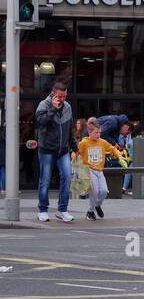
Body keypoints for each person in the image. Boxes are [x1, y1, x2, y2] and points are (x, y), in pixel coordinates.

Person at [35, 82, 76, 223]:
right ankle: (43, 210)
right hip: (46, 149)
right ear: (53, 94)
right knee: (45, 180)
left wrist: (75, 148)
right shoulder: (43, 105)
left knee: (67, 177)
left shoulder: (68, 107)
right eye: (59, 96)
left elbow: (69, 130)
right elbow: (40, 123)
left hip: (63, 150)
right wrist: (52, 109)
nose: (62, 99)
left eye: (64, 96)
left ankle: (62, 210)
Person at [77, 118, 124, 221]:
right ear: (90, 132)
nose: (98, 134)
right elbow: (77, 152)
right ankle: (90, 211)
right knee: (95, 191)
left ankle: (97, 205)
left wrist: (119, 155)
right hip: (89, 169)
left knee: (104, 191)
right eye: (96, 132)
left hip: (99, 170)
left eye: (99, 132)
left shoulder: (102, 142)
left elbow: (112, 149)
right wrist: (74, 159)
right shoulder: (84, 143)